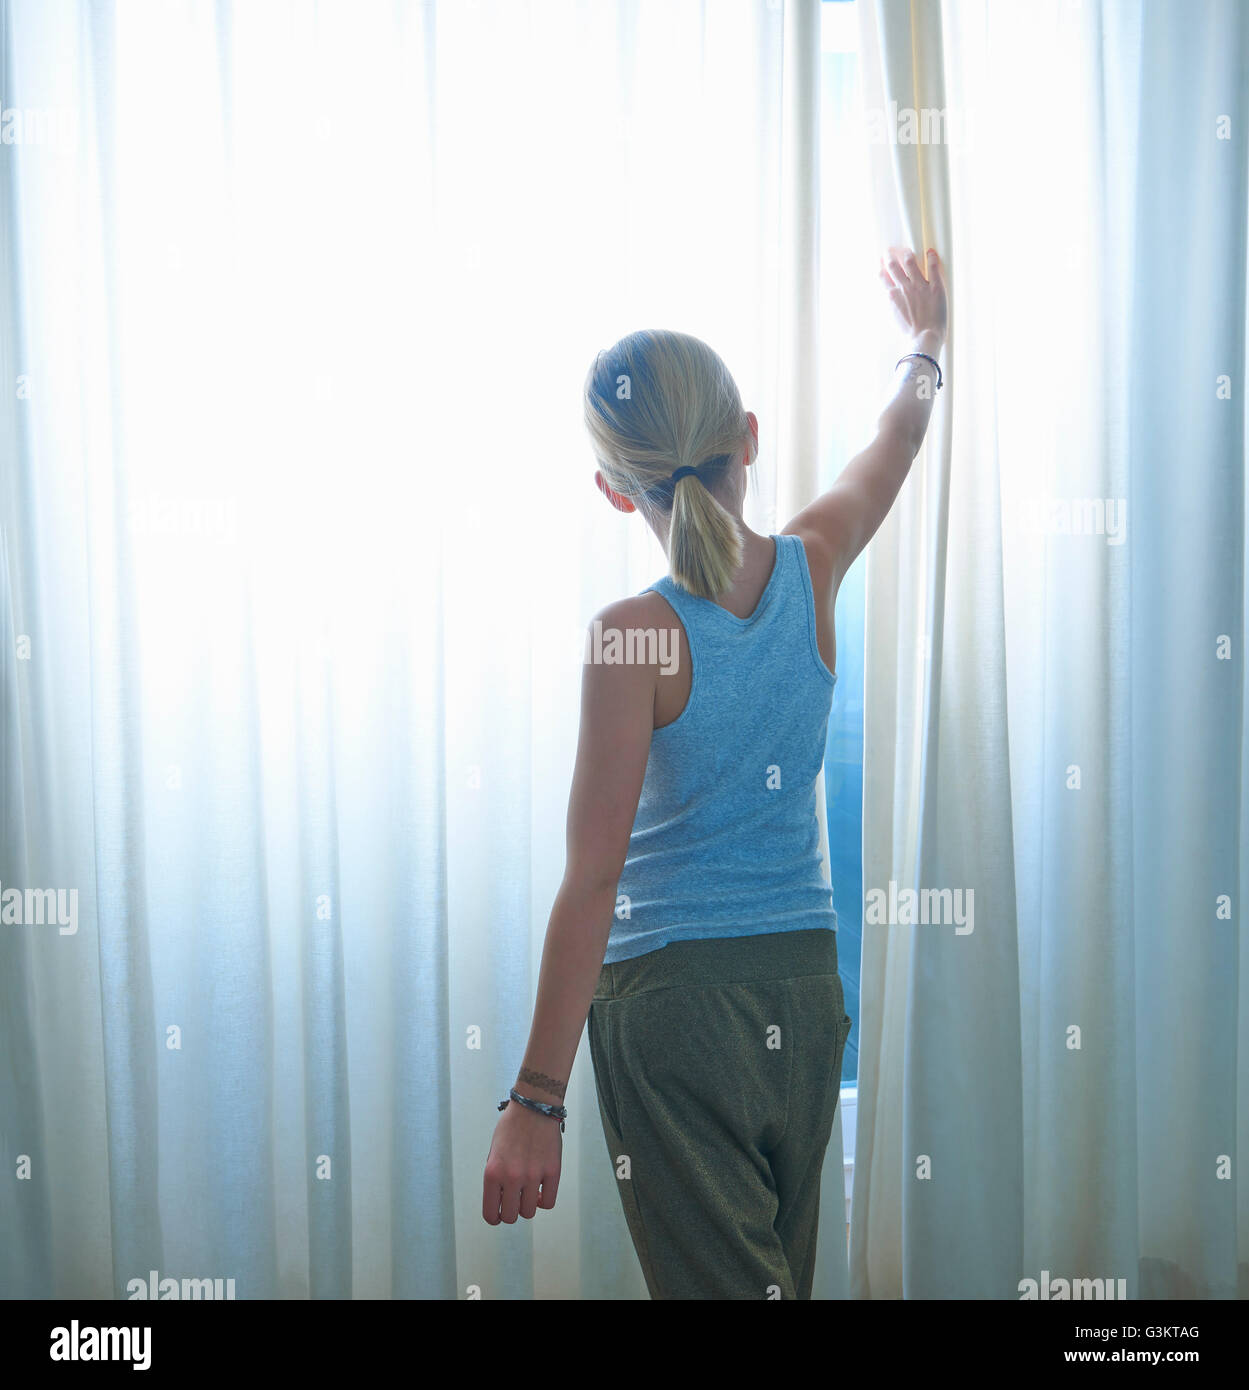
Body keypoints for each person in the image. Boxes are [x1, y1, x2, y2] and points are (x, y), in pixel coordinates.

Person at [482, 245, 948, 1300]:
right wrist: (923, 341)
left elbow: (593, 878)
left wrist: (535, 1097)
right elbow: (897, 434)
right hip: (803, 988)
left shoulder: (632, 636)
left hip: (677, 1013)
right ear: (747, 439)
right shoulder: (814, 564)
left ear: (611, 489)